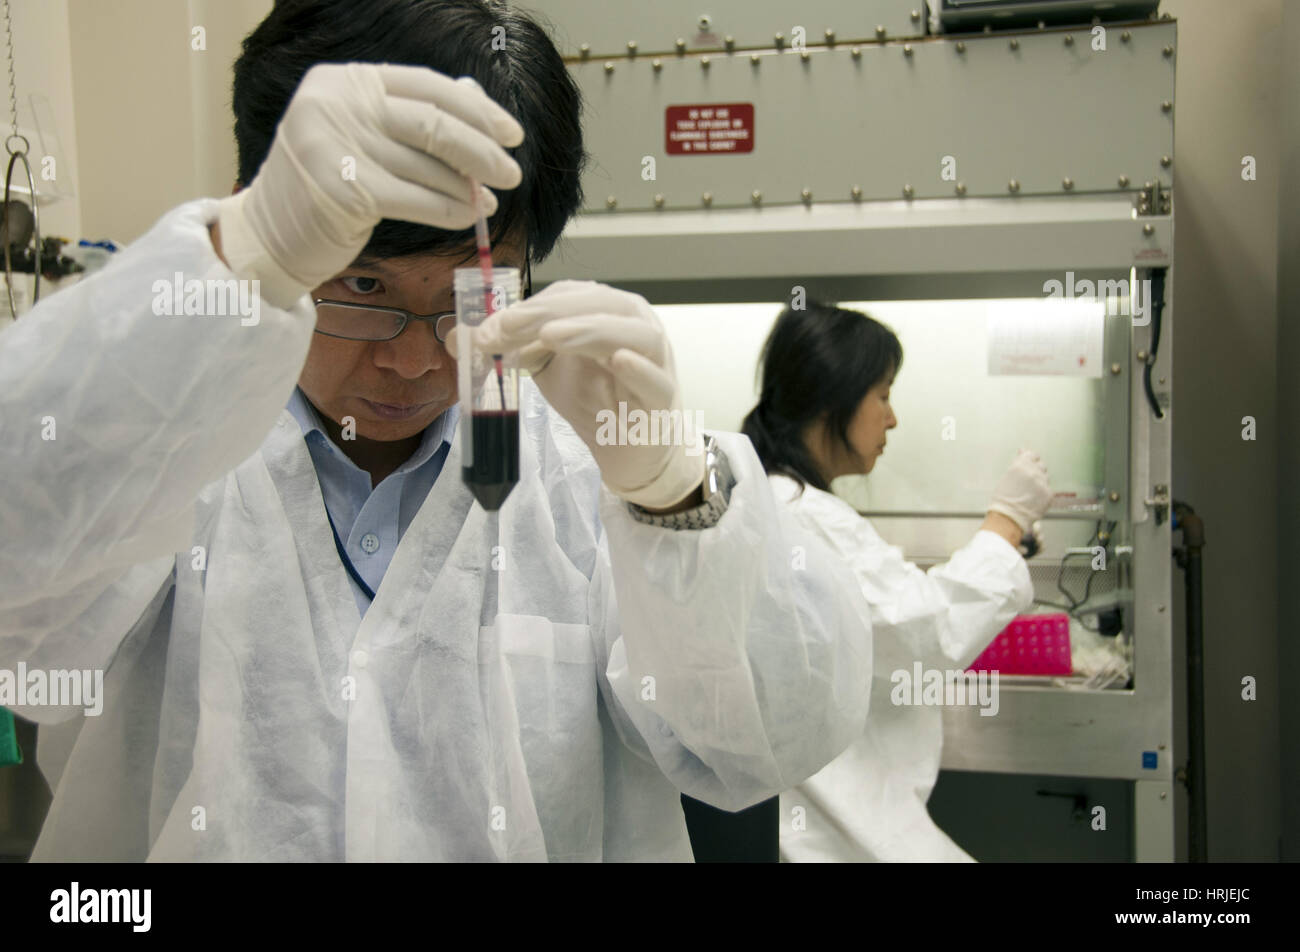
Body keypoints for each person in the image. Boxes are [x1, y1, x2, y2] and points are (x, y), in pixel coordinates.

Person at [0, 0, 875, 862]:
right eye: (365, 290)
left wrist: (675, 496)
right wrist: (237, 260)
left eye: (467, 296)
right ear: (270, 215)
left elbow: (763, 747)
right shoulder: (154, 431)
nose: (417, 361)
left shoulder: (582, 467)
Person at [741, 301, 1053, 862]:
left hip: (823, 811)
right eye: (883, 394)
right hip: (832, 827)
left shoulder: (777, 502)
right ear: (832, 396)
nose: (892, 418)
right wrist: (1005, 522)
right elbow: (925, 633)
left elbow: (885, 613)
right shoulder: (802, 515)